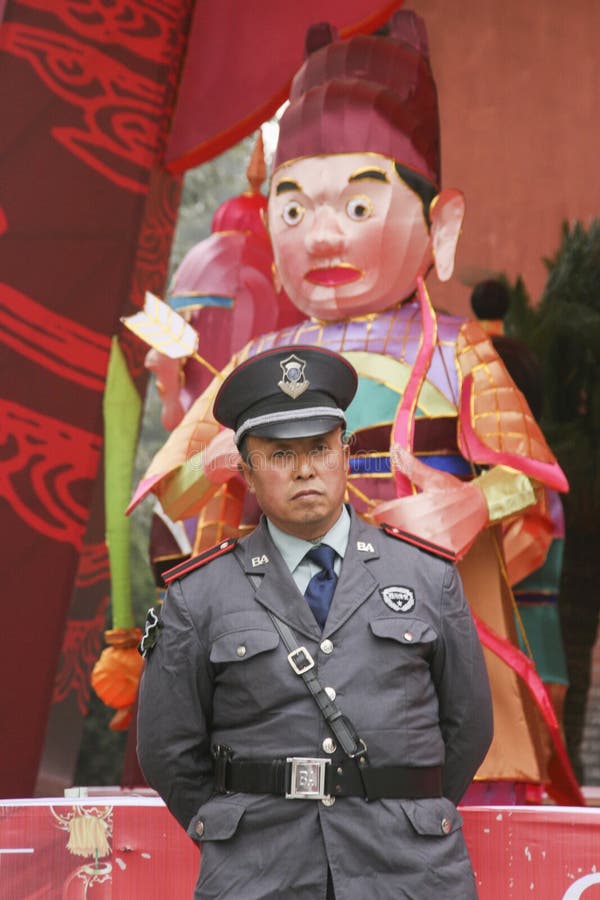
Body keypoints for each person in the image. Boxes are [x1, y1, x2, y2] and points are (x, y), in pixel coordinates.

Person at [129, 11, 578, 801]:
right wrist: (218, 461)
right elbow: (177, 494)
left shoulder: (459, 349)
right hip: (284, 629)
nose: (323, 237)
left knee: (441, 783)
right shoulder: (256, 360)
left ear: (441, 224)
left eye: (360, 207)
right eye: (295, 209)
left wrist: (473, 503)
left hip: (423, 616)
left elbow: (532, 487)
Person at [137, 345, 493, 900]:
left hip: (407, 871)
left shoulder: (427, 576)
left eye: (321, 449)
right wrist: (234, 826)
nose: (305, 469)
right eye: (280, 454)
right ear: (247, 472)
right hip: (260, 872)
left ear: (345, 455)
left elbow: (469, 727)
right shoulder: (199, 594)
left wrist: (401, 807)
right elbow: (167, 748)